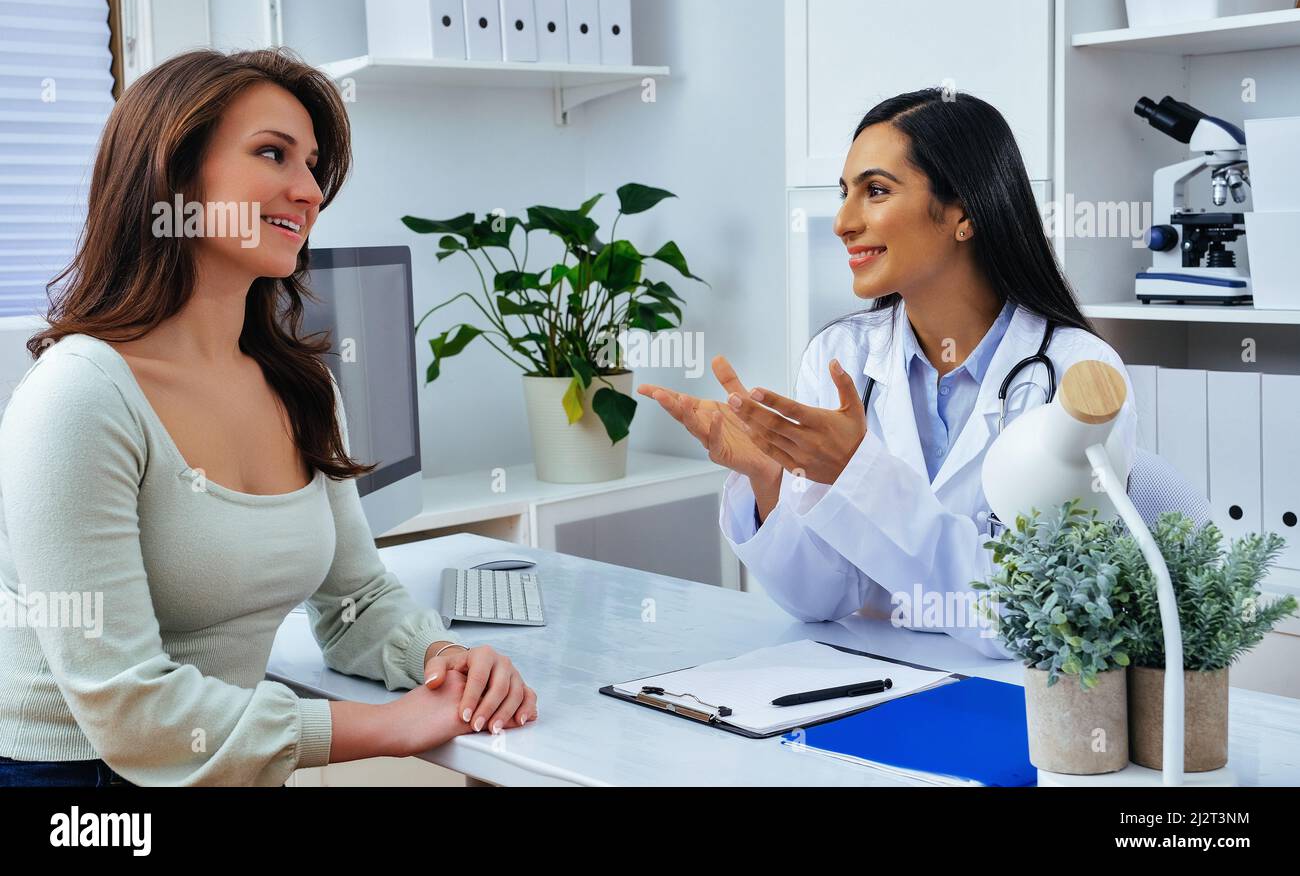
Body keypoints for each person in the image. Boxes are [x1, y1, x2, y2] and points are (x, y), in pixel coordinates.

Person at [0, 48, 536, 786]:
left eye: (313, 166)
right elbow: (129, 711)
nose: (309, 191)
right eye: (273, 154)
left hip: (227, 762)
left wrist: (444, 661)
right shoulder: (77, 397)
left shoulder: (301, 385)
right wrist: (389, 727)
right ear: (172, 175)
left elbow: (355, 603)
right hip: (79, 782)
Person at [640, 88, 1136, 657]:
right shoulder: (842, 357)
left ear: (964, 213)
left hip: (1015, 700)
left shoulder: (1079, 375)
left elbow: (1032, 616)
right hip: (872, 685)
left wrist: (858, 471)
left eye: (875, 191)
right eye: (845, 194)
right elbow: (821, 599)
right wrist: (767, 480)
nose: (844, 222)